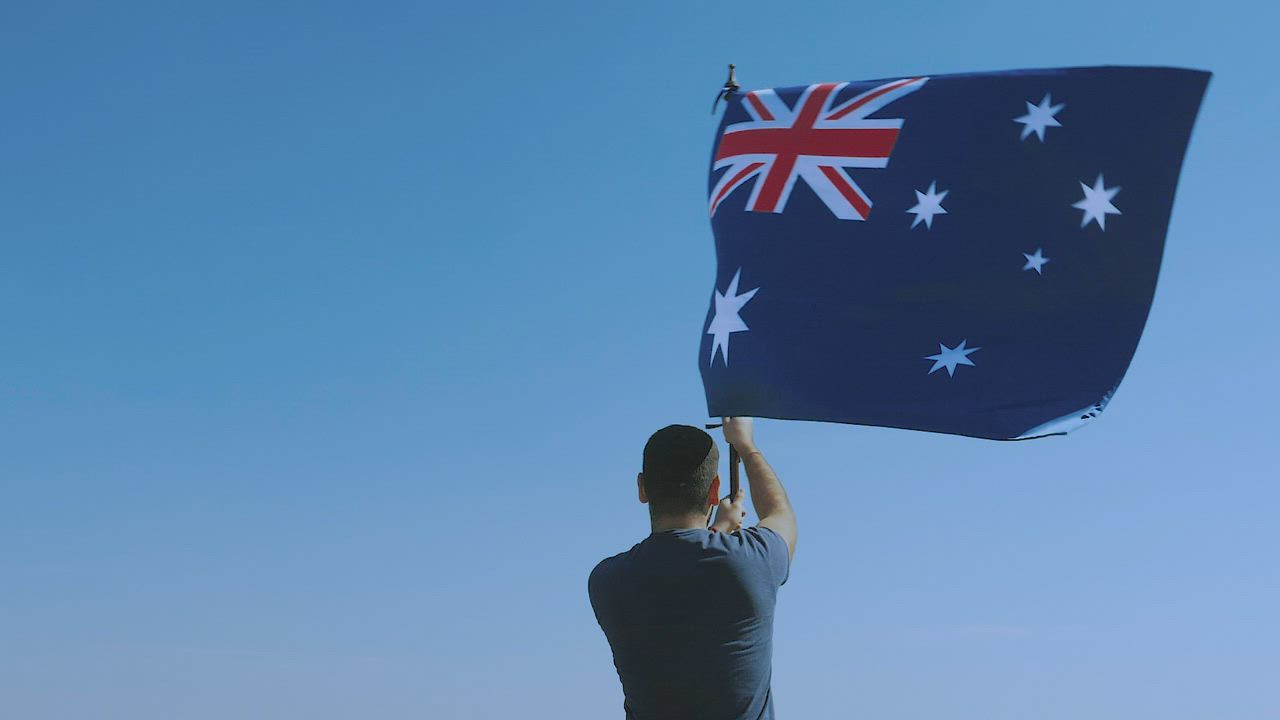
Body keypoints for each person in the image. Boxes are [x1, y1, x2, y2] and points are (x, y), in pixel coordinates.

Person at [588, 417, 797, 720]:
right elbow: (781, 516)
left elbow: (679, 573)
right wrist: (746, 445)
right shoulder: (753, 561)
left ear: (642, 487)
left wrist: (718, 531)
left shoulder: (606, 581)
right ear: (714, 491)